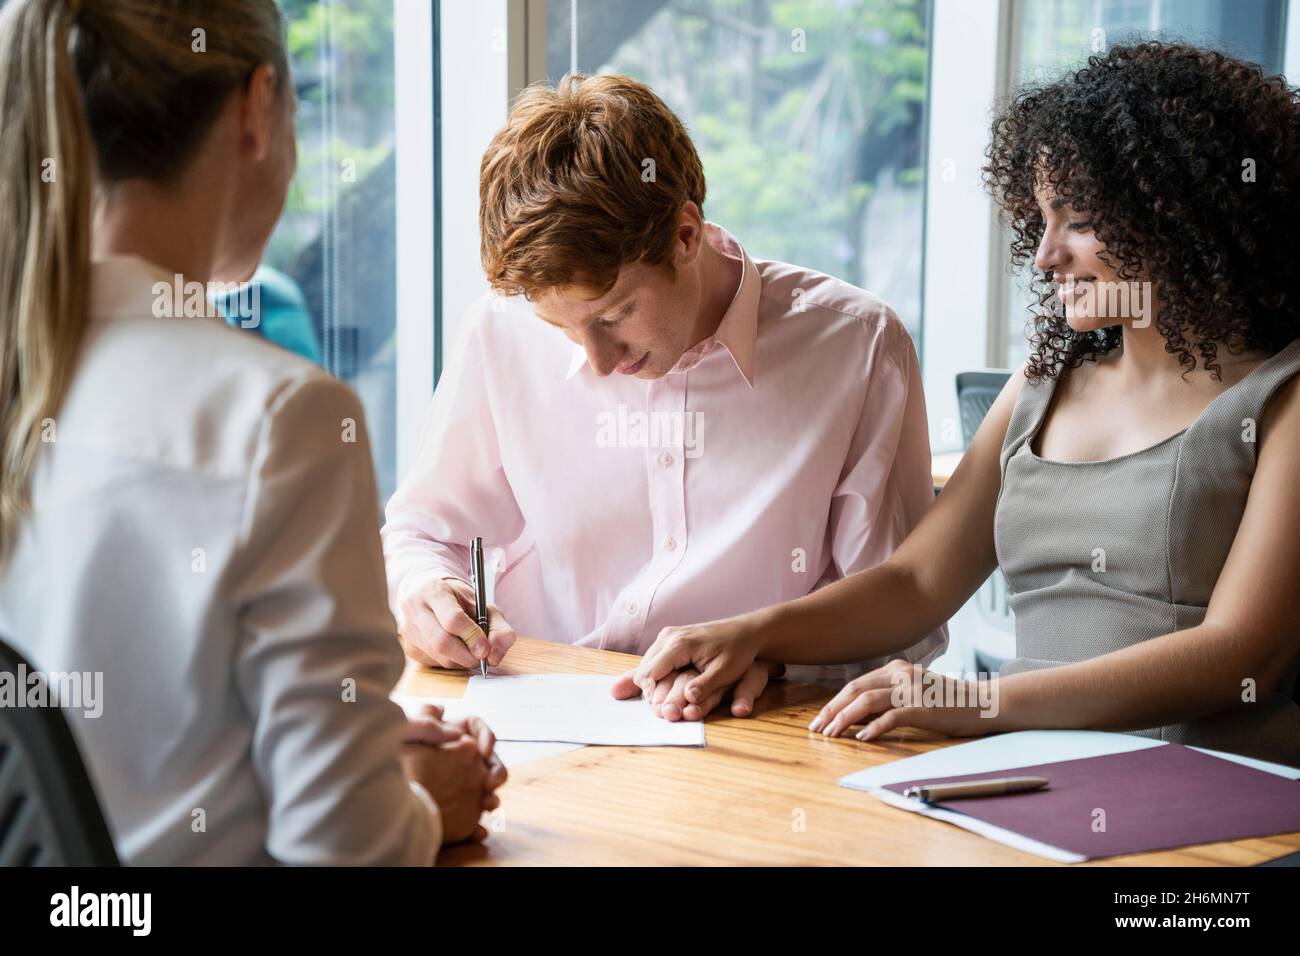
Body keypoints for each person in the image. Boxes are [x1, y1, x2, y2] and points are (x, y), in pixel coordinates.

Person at [621, 42, 1300, 768]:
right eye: (1038, 220)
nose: (1044, 256)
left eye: (1077, 221)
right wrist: (753, 634)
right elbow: (916, 583)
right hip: (1034, 771)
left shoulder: (1282, 396)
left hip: (1213, 789)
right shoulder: (1044, 382)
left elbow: (1240, 655)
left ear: (1176, 215)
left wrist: (975, 704)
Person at [0, 0, 502, 865]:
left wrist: (359, 744)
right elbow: (349, 854)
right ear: (257, 106)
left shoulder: (34, 368)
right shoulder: (281, 418)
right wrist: (418, 801)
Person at [382, 73, 946, 714]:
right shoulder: (498, 330)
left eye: (613, 315)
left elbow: (904, 617)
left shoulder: (859, 347)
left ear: (684, 235)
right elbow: (422, 531)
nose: (594, 361)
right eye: (560, 329)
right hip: (532, 720)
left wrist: (772, 655)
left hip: (750, 736)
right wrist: (425, 589)